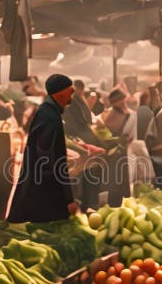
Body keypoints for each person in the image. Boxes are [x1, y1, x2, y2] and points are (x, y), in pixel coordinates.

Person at [7, 74, 79, 223]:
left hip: (41, 186)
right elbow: (46, 158)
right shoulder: (49, 116)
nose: (71, 99)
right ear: (60, 93)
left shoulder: (48, 112)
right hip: (42, 191)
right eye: (70, 92)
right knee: (44, 227)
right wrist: (66, 196)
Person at [62, 80, 101, 146]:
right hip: (79, 132)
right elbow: (83, 120)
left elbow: (85, 117)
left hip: (78, 130)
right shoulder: (74, 101)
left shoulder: (77, 99)